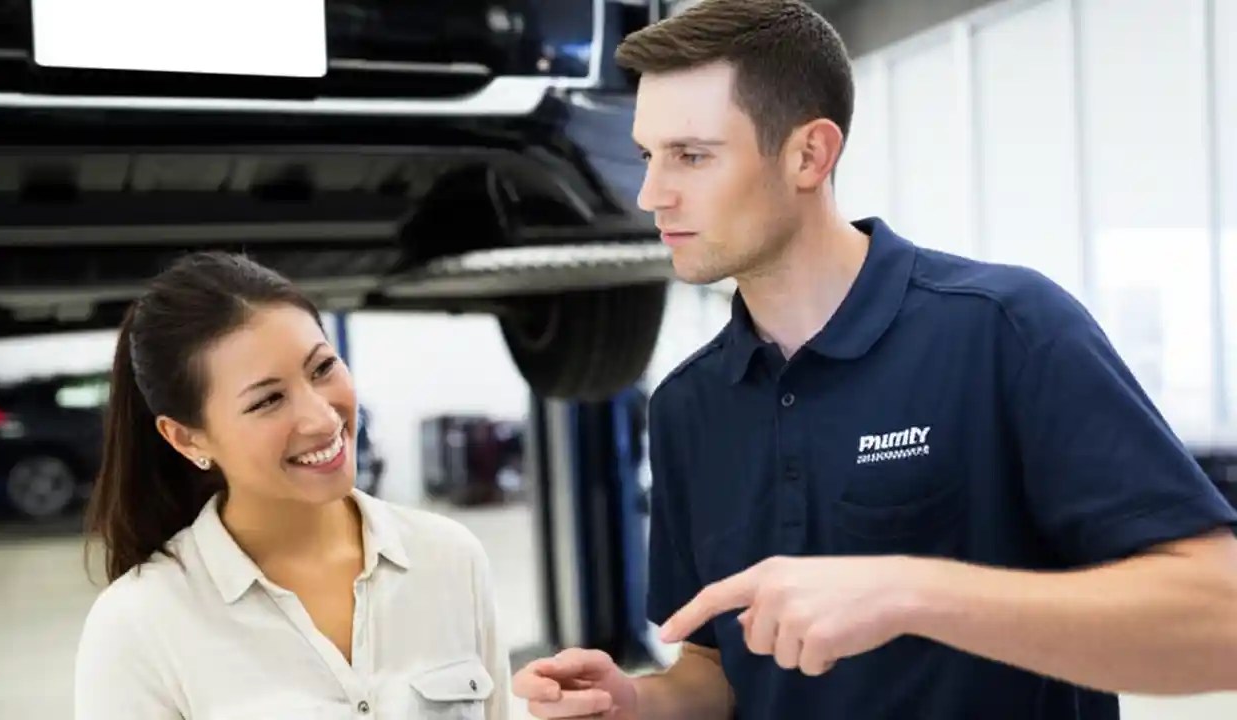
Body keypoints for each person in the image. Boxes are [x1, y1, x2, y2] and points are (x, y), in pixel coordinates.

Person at [511, 1, 1237, 719]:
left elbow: (1220, 617)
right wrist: (638, 701)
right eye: (648, 155)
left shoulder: (1004, 330)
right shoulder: (687, 405)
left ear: (809, 154)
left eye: (692, 155)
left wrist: (908, 593)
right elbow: (718, 667)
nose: (650, 194)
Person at [75, 252, 508, 719]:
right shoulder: (139, 623)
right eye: (268, 400)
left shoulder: (448, 558)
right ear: (186, 437)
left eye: (322, 368)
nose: (323, 418)